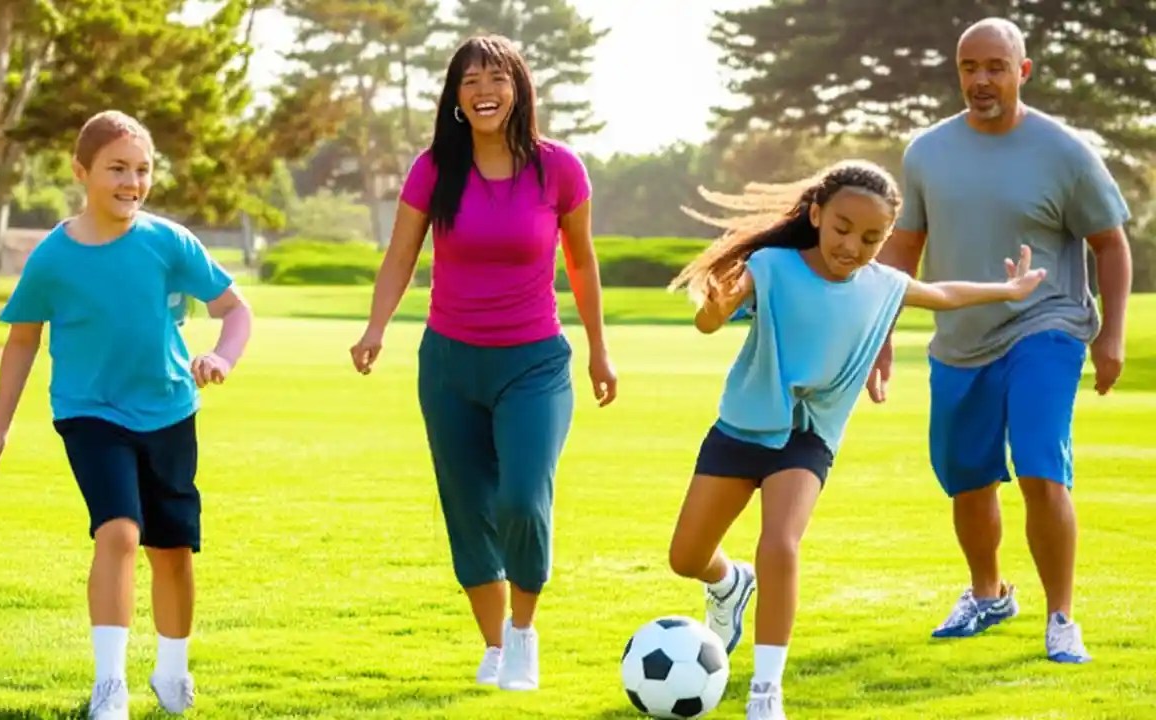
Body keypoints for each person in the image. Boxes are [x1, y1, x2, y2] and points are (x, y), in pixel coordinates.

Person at [666, 160, 1047, 720]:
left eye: (872, 238)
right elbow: (708, 320)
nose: (853, 246)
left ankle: (766, 692)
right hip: (741, 427)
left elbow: (943, 293)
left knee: (780, 544)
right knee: (686, 557)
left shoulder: (885, 287)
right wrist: (717, 306)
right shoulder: (771, 266)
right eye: (842, 228)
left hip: (807, 437)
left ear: (886, 238)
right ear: (817, 214)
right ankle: (729, 584)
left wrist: (1009, 288)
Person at [348, 35, 617, 692]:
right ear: (456, 98)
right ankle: (495, 645)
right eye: (469, 80)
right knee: (468, 507)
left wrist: (600, 350)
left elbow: (580, 263)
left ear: (519, 88)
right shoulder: (435, 168)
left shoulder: (559, 169)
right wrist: (376, 327)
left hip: (534, 363)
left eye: (496, 76)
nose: (483, 88)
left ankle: (524, 632)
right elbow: (401, 256)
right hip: (449, 365)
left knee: (523, 498)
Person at [0, 110, 253, 719]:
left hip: (170, 410)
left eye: (142, 169)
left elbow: (235, 310)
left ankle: (172, 673)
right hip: (89, 411)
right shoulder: (52, 257)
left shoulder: (169, 242)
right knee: (119, 531)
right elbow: (22, 341)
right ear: (82, 172)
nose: (132, 181)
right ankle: (110, 686)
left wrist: (222, 357)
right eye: (117, 168)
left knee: (172, 550)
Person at [867, 17, 1132, 663]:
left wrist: (1111, 337)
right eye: (969, 67)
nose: (981, 80)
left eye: (994, 66)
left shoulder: (1065, 152)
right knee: (967, 480)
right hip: (960, 336)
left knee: (1041, 465)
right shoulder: (926, 151)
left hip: (1048, 324)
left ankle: (1062, 617)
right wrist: (878, 331)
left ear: (1023, 71)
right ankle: (989, 593)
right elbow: (904, 244)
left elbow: (1110, 243)